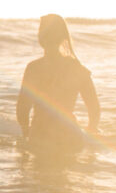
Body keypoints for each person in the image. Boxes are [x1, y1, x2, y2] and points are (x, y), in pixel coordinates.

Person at [16, 14, 99, 154]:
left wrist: (25, 133)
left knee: (40, 174)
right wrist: (91, 130)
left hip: (41, 136)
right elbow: (94, 106)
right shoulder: (76, 67)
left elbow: (22, 107)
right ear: (63, 37)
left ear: (41, 37)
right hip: (69, 136)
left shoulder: (34, 68)